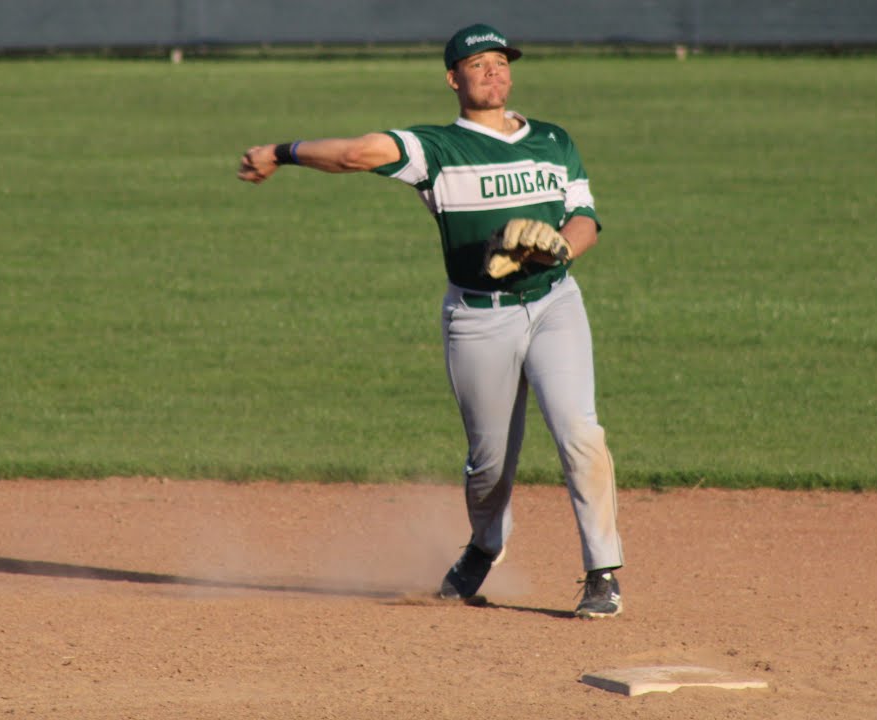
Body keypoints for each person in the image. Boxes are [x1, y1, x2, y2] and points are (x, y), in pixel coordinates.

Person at [237, 23, 624, 618]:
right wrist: (281, 153)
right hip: (477, 318)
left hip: (554, 303)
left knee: (580, 432)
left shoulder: (553, 140)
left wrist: (561, 249)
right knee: (488, 465)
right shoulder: (436, 149)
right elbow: (356, 153)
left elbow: (585, 219)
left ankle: (603, 572)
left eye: (500, 62)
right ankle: (485, 544)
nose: (493, 72)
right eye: (478, 64)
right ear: (453, 79)